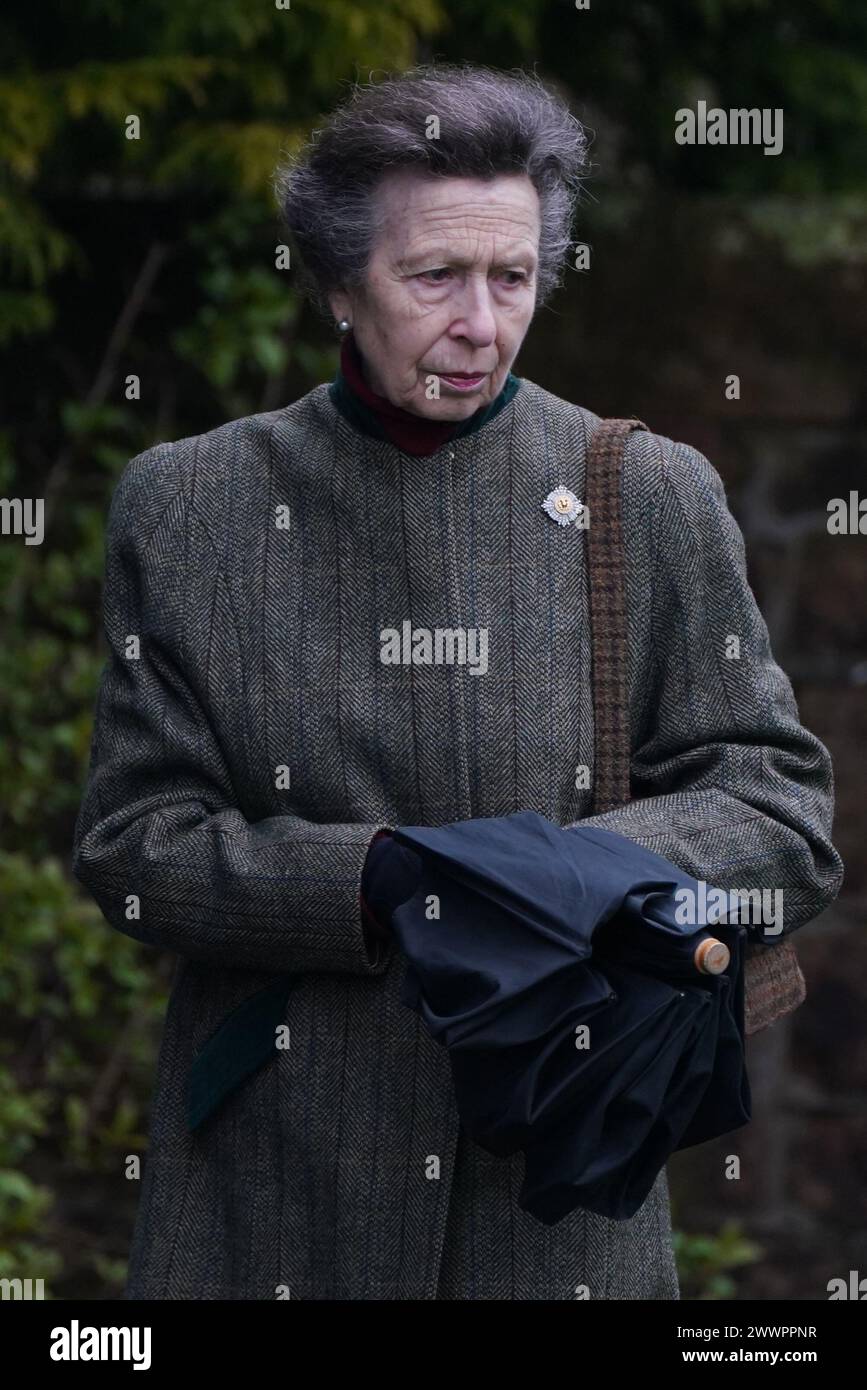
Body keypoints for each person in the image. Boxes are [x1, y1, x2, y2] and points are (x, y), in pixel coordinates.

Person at [71, 62, 843, 1301]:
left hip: (557, 1185)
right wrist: (373, 881)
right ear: (336, 281)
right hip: (279, 1185)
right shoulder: (192, 507)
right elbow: (131, 847)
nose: (480, 323)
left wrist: (559, 876)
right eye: (434, 277)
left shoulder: (647, 494)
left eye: (514, 277)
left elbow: (781, 815)